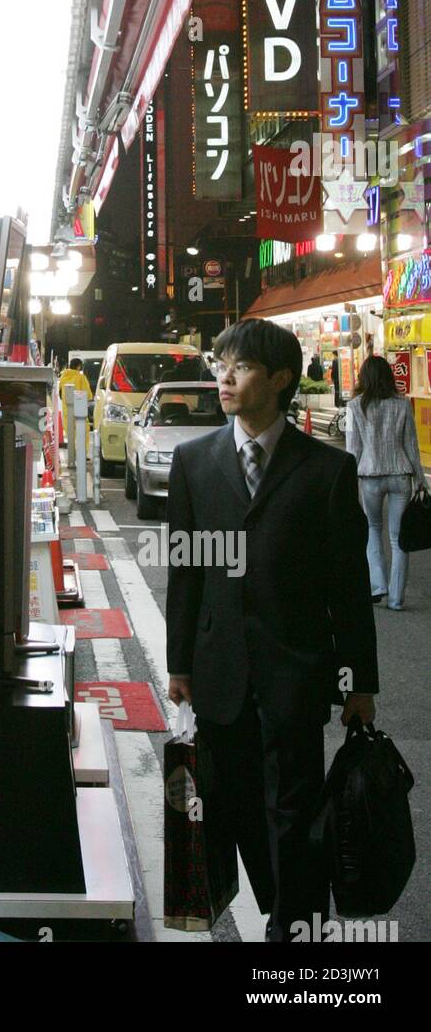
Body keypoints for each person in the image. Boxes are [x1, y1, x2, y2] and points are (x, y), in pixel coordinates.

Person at [166, 318, 378, 944]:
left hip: (297, 674)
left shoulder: (327, 472)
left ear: (281, 380)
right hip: (219, 671)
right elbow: (186, 573)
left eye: (241, 367)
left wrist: (360, 682)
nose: (224, 377)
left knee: (295, 814)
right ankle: (276, 907)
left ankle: (294, 939)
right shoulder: (194, 463)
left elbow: (348, 591)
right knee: (233, 810)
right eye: (221, 362)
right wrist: (179, 665)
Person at [345, 354, 422, 611]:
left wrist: (346, 481)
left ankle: (378, 585)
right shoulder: (402, 404)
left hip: (369, 476)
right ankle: (397, 599)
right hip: (400, 474)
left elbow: (353, 449)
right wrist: (420, 479)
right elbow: (411, 444)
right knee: (399, 539)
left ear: (363, 377)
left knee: (372, 531)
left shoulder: (356, 406)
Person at [58, 357, 93, 446]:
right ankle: (83, 455)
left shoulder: (63, 377)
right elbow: (88, 395)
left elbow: (60, 394)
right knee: (83, 433)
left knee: (70, 434)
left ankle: (71, 456)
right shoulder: (81, 377)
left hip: (67, 411)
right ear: (78, 366)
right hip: (79, 410)